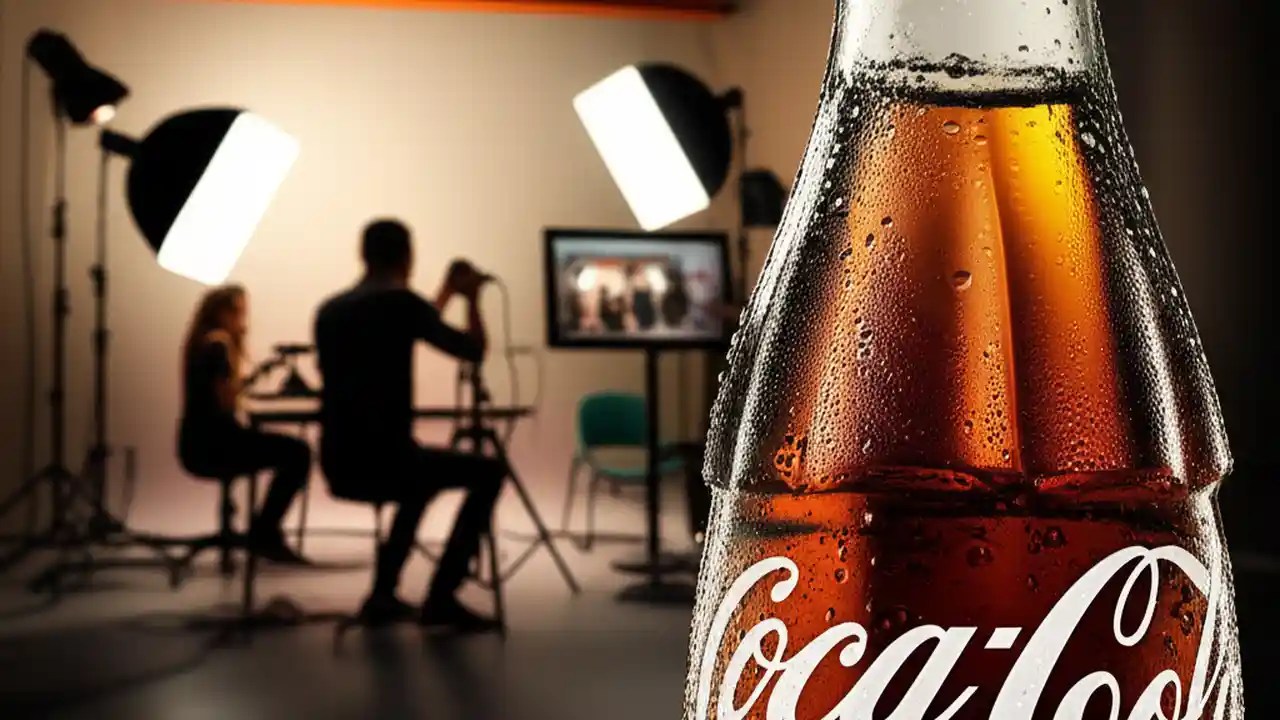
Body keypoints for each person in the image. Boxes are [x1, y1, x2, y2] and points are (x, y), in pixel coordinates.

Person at [314, 219, 505, 631]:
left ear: (363, 255)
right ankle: (442, 597)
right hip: (389, 461)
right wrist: (470, 298)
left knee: (421, 480)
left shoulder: (330, 310)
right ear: (408, 257)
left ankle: (382, 596)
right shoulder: (403, 306)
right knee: (489, 472)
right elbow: (471, 349)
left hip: (338, 462)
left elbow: (406, 327)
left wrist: (444, 294)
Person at [178, 285, 311, 564]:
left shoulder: (201, 341)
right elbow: (226, 402)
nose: (242, 321)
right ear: (220, 312)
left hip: (196, 441)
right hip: (216, 444)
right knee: (298, 453)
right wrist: (242, 377)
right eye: (237, 313)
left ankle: (262, 531)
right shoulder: (219, 343)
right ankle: (264, 531)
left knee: (290, 451)